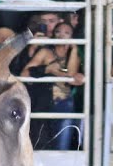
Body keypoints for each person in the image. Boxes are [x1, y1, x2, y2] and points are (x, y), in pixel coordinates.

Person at [21, 21, 84, 149]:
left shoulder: (74, 55)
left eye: (67, 33)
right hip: (43, 103)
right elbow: (24, 74)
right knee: (39, 144)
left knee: (62, 146)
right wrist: (47, 69)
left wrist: (74, 49)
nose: (62, 35)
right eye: (58, 32)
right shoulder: (45, 52)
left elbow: (71, 76)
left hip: (64, 104)